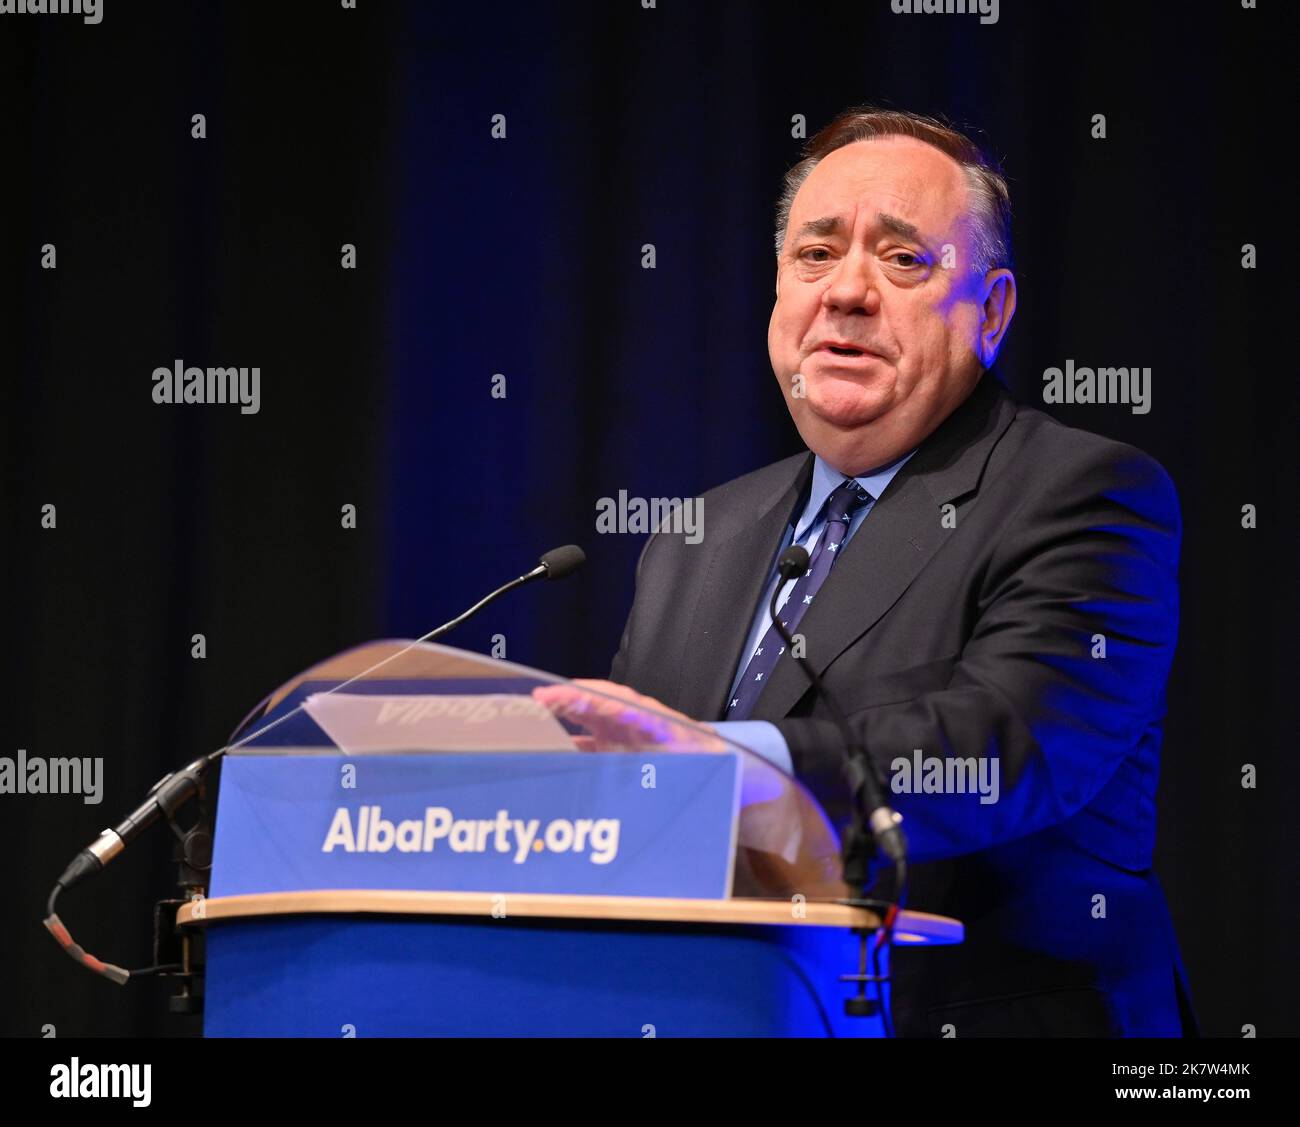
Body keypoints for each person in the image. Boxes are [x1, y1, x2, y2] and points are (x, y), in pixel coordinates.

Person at [544, 106, 1196, 1037]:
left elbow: (998, 750)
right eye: (815, 255)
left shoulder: (1089, 495)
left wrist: (721, 766)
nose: (845, 291)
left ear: (995, 310)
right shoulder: (699, 535)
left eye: (902, 259)